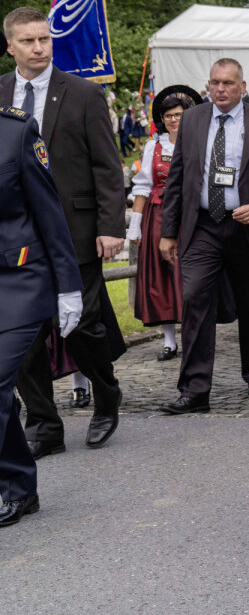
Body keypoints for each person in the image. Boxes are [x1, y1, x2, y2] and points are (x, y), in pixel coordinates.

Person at [2, 7, 124, 458]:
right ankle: (44, 424)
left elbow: (108, 168)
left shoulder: (83, 94)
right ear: (10, 45)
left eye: (44, 39)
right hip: (17, 235)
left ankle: (106, 392)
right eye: (28, 41)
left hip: (77, 230)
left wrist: (111, 226)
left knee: (82, 325)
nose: (38, 48)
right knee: (24, 334)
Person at [158, 59, 249, 413]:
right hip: (202, 225)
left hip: (246, 227)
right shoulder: (192, 119)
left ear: (242, 86)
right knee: (194, 298)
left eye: (228, 83)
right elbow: (178, 178)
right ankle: (195, 389)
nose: (221, 89)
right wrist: (168, 232)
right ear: (208, 85)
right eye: (215, 83)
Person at [0, 106, 84, 528]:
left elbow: (49, 211)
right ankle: (19, 488)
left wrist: (68, 285)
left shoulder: (16, 131)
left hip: (17, 282)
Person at [127, 86, 202, 361]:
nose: (173, 120)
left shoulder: (199, 143)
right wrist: (135, 226)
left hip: (192, 217)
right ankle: (170, 341)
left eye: (179, 115)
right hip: (158, 215)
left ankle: (195, 335)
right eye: (169, 115)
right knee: (162, 276)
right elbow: (143, 187)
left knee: (190, 276)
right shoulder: (153, 146)